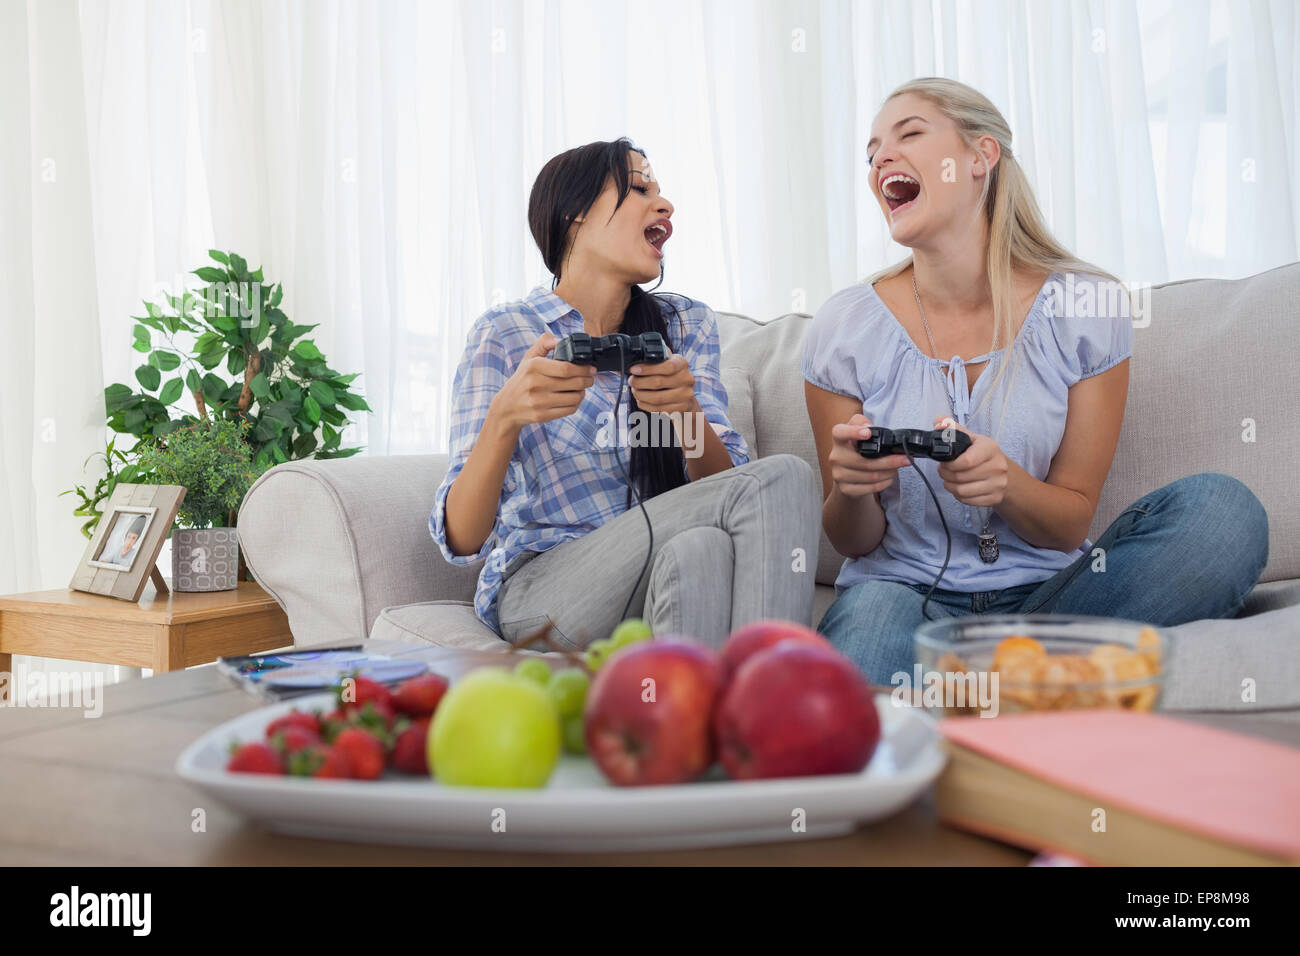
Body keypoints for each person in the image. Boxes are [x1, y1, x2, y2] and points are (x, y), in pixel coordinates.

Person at [803, 77, 1269, 685]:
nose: (880, 159)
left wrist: (1008, 486)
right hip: (901, 600)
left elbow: (1070, 522)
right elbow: (852, 541)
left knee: (1223, 514)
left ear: (980, 155)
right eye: (871, 154)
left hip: (1053, 601)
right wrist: (854, 488)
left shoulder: (1086, 306)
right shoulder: (842, 327)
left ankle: (983, 688)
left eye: (909, 134)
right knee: (862, 639)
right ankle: (1038, 690)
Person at [431, 138, 820, 649]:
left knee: (700, 551)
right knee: (785, 474)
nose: (665, 204)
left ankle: (686, 723)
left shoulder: (685, 326)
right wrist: (505, 417)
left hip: (656, 566)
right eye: (640, 188)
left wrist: (687, 416)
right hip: (545, 589)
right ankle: (775, 700)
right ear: (574, 214)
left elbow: (730, 491)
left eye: (661, 191)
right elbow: (462, 539)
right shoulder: (505, 333)